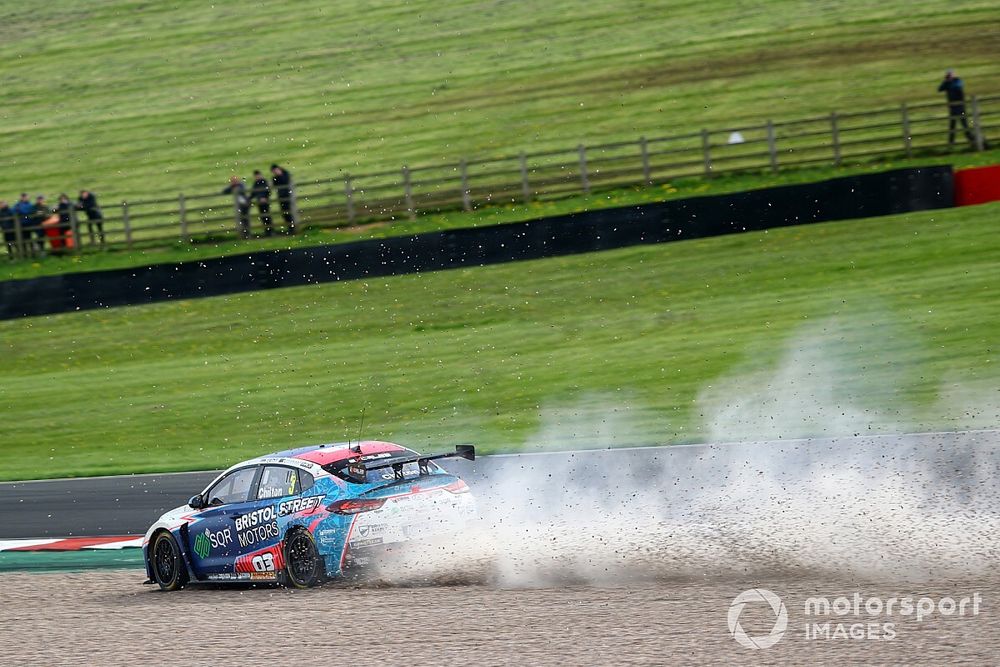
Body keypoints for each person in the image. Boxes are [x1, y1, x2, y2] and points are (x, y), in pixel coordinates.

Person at [938, 69, 975, 146]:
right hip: (953, 109)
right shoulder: (947, 83)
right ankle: (951, 144)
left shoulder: (958, 81)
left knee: (965, 125)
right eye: (948, 75)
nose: (949, 77)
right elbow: (939, 89)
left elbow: (958, 87)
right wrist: (946, 81)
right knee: (952, 126)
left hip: (961, 107)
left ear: (954, 75)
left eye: (950, 75)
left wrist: (950, 81)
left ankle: (972, 141)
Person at [270, 164, 296, 234]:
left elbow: (286, 181)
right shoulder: (275, 177)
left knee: (289, 212)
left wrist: (280, 175)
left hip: (288, 196)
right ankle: (290, 228)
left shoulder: (285, 174)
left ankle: (293, 228)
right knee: (284, 213)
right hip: (281, 197)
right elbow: (274, 185)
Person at [250, 170, 274, 237]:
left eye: (258, 175)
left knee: (267, 216)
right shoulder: (256, 183)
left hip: (265, 202)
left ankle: (271, 231)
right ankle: (267, 231)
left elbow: (268, 191)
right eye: (256, 176)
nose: (257, 177)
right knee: (263, 216)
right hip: (259, 202)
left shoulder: (265, 182)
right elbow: (253, 193)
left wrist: (265, 197)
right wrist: (248, 199)